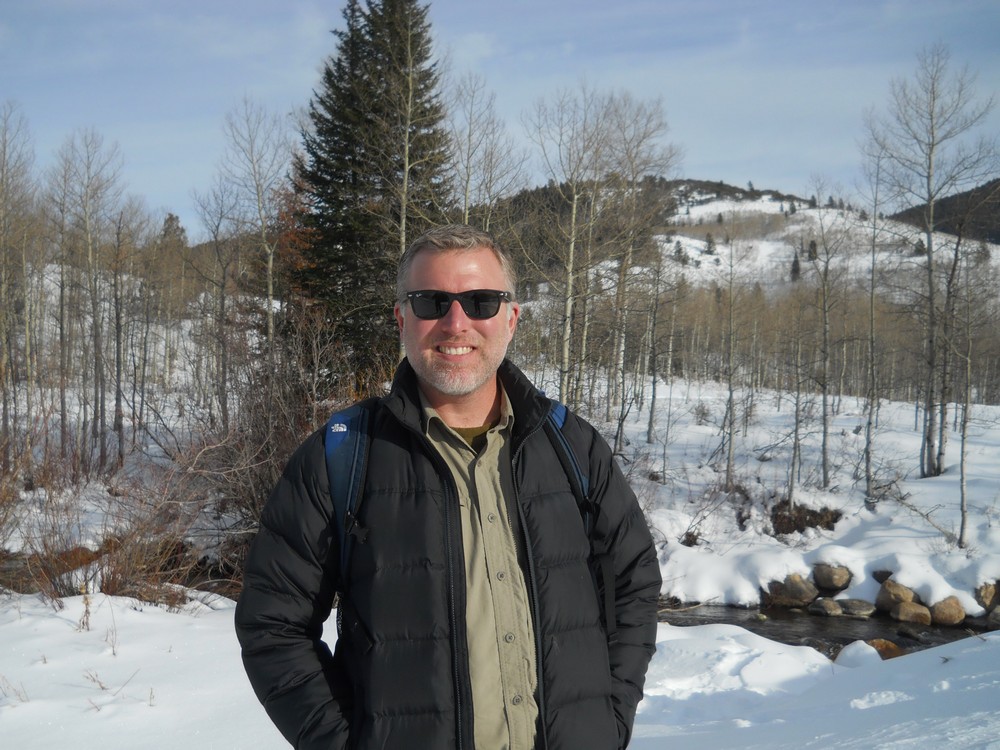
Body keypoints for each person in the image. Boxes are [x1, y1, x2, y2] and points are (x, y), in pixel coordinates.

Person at [235, 224, 661, 750]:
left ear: (511, 317)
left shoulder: (571, 445)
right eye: (431, 302)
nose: (456, 323)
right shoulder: (342, 457)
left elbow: (633, 582)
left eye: (481, 301)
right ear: (402, 319)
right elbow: (272, 625)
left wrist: (607, 718)